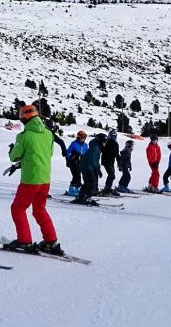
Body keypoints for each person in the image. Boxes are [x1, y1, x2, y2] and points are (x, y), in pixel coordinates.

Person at [6, 104, 61, 254]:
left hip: (30, 179)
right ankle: (51, 241)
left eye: (21, 116)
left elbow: (14, 156)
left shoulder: (24, 135)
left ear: (25, 117)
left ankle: (24, 240)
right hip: (45, 179)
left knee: (18, 208)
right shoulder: (49, 134)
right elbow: (47, 154)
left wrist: (13, 151)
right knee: (39, 210)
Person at [74, 133, 104, 204]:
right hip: (87, 166)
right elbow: (93, 160)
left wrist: (98, 169)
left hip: (86, 166)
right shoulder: (95, 148)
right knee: (92, 182)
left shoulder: (96, 146)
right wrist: (97, 170)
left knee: (87, 182)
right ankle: (86, 197)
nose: (104, 143)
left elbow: (95, 160)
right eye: (104, 141)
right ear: (100, 140)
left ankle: (81, 197)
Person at [65, 130, 88, 196]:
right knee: (76, 176)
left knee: (77, 176)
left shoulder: (85, 145)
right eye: (82, 137)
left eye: (84, 137)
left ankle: (75, 189)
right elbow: (67, 152)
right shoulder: (74, 143)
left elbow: (86, 154)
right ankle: (72, 190)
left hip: (81, 163)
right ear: (78, 137)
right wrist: (70, 158)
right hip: (73, 162)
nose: (83, 139)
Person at [101, 130, 120, 195]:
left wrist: (119, 162)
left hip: (111, 162)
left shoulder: (116, 144)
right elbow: (103, 150)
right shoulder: (107, 142)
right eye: (112, 136)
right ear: (109, 136)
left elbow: (117, 154)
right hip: (106, 161)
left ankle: (108, 187)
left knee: (112, 176)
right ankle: (106, 188)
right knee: (111, 175)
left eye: (114, 136)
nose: (113, 138)